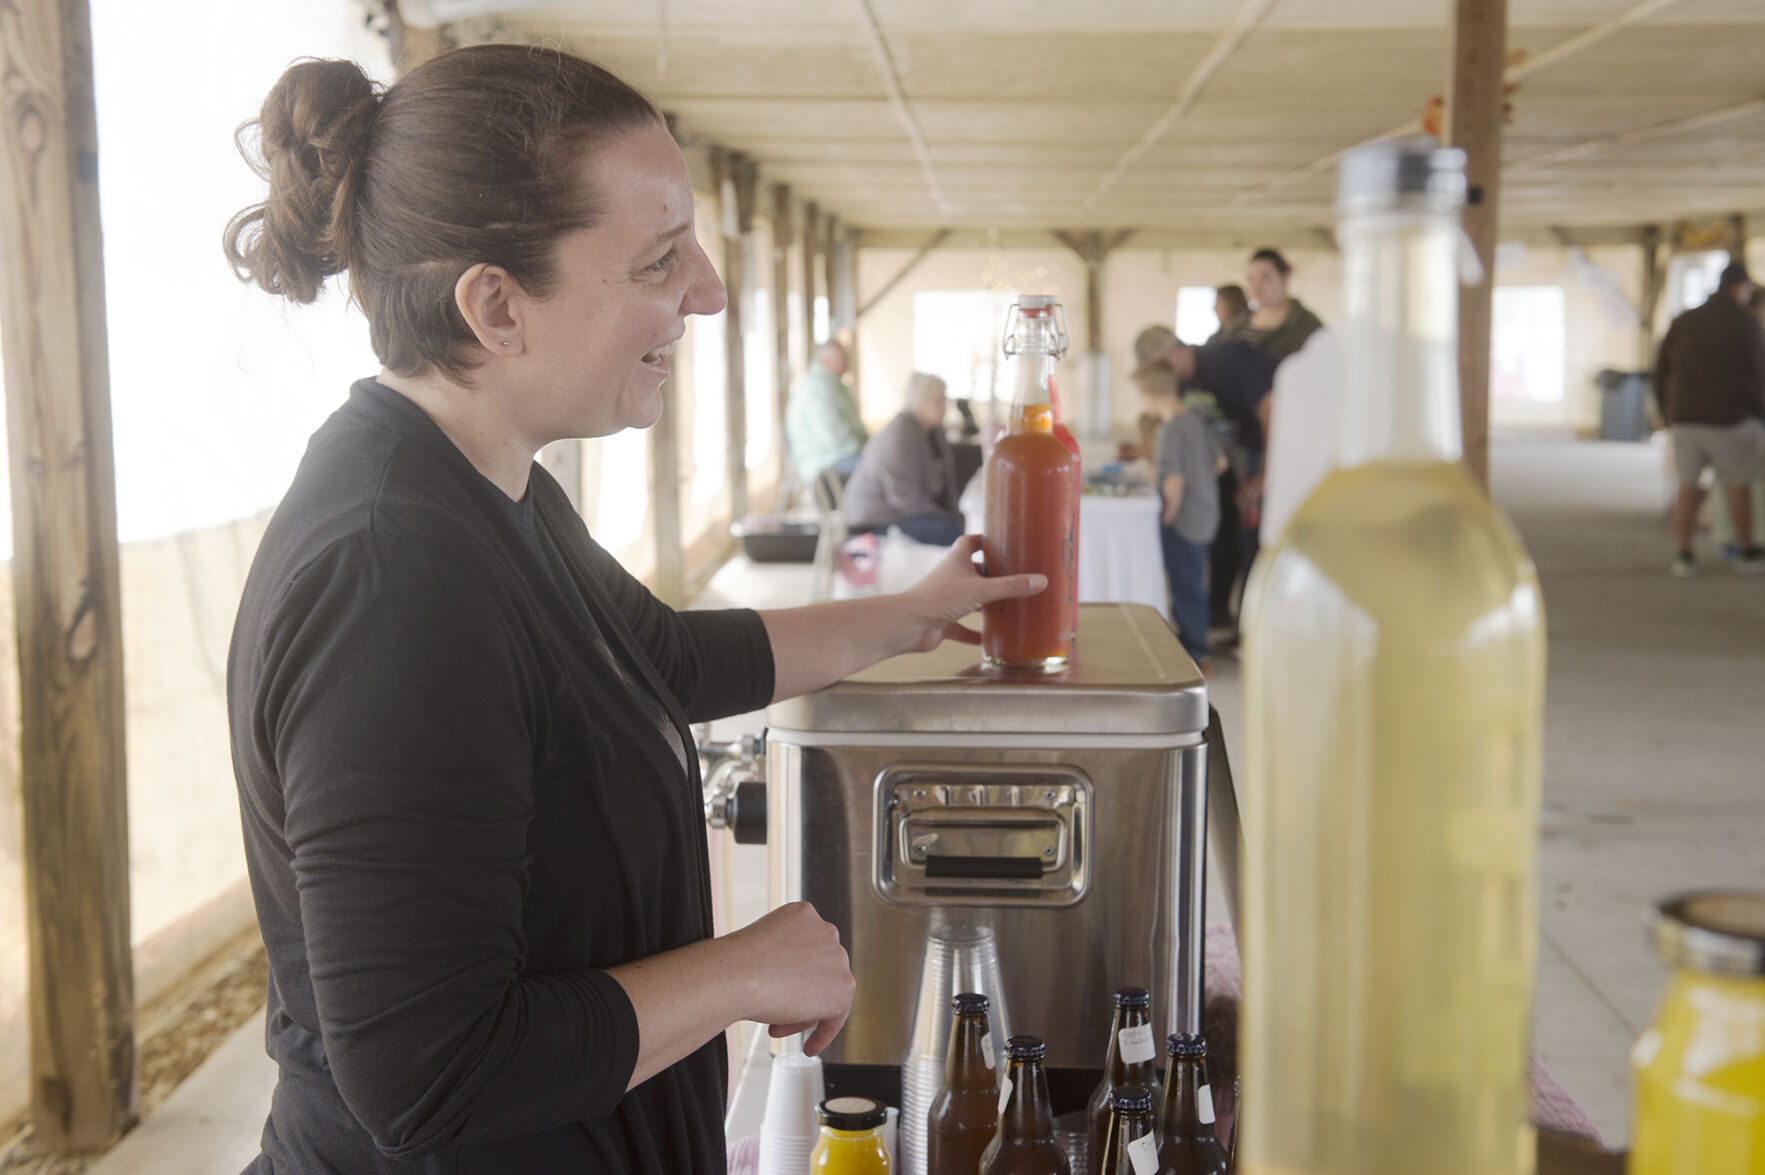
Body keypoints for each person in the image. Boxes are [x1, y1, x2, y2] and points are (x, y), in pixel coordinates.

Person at [220, 47, 1045, 1175]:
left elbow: (654, 655)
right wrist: (744, 968)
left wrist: (912, 612)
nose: (705, 289)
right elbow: (428, 1068)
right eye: (660, 259)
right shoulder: (390, 580)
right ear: (495, 304)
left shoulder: (490, 486)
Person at [1133, 325, 1278, 638]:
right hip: (1218, 489)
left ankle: (1245, 635)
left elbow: (1271, 409)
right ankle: (1218, 623)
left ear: (1172, 356)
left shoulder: (1225, 361)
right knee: (1217, 555)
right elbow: (1215, 459)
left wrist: (1265, 474)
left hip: (1259, 455)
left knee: (1252, 547)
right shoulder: (1185, 398)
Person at [1655, 261, 1765, 575]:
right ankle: (1747, 550)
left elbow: (1661, 369)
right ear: (1740, 287)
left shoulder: (1685, 320)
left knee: (1686, 487)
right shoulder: (1745, 324)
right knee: (1738, 486)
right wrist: (1758, 413)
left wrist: (1666, 412)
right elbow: (1759, 374)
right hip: (1728, 421)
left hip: (1684, 419)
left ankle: (1683, 555)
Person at [1133, 360, 1221, 668]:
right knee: (1194, 582)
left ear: (1150, 394)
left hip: (1182, 522)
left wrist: (1165, 519)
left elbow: (1174, 482)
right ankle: (1198, 646)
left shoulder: (1169, 430)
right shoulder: (1195, 421)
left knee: (1185, 587)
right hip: (1206, 514)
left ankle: (1196, 652)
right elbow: (1219, 463)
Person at [843, 373, 964, 546]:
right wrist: (948, 518)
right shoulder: (901, 432)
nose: (944, 407)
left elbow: (947, 484)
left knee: (959, 529)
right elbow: (906, 499)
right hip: (875, 521)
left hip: (905, 514)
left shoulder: (934, 433)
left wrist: (956, 515)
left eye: (945, 400)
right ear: (919, 401)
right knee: (951, 534)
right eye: (937, 401)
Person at [786, 340, 867, 483]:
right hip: (826, 465)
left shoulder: (829, 385)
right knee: (880, 465)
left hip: (837, 458)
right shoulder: (818, 388)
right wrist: (866, 451)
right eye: (842, 358)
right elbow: (835, 438)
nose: (847, 362)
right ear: (826, 359)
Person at [1238, 248, 1325, 362]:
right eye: (1251, 279)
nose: (1256, 287)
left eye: (1265, 277)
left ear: (1285, 277)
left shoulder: (1307, 326)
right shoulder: (1238, 325)